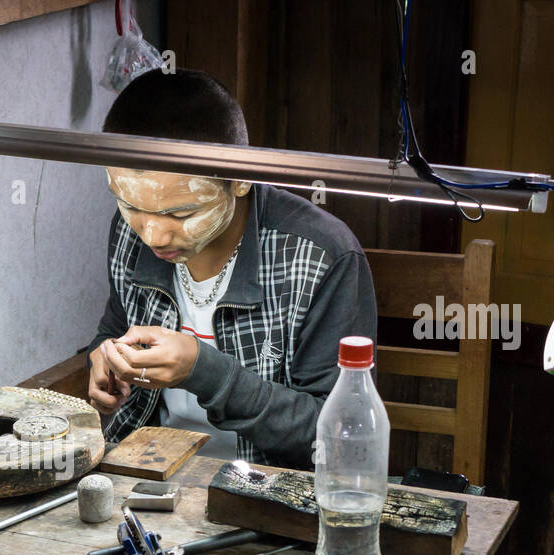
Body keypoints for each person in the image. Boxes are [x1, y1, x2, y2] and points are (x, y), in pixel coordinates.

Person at [86, 68, 378, 469]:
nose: (152, 235)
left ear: (240, 179)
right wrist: (104, 363)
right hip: (151, 477)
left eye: (181, 212)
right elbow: (115, 324)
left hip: (269, 497)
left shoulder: (321, 256)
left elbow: (341, 436)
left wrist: (205, 372)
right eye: (132, 205)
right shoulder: (130, 232)